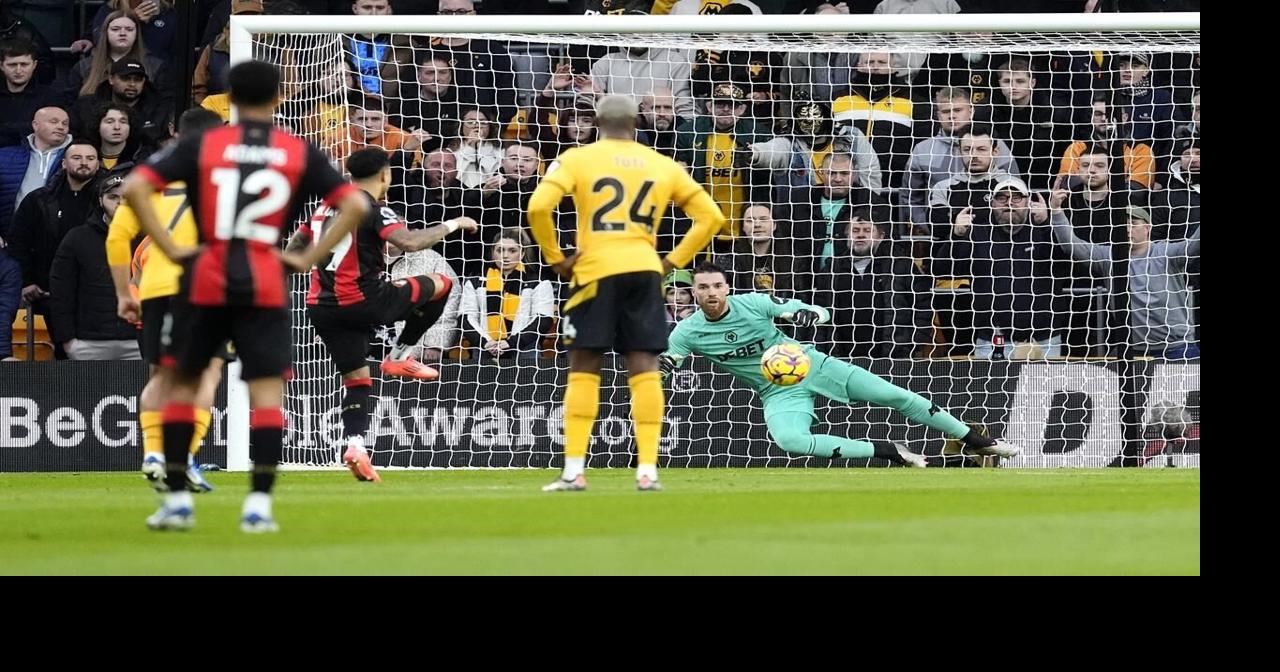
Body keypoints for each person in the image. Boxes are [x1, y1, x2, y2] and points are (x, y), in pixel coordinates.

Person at [121, 60, 370, 533]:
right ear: (279, 98)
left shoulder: (203, 143)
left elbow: (135, 187)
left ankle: (177, 502)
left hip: (207, 275)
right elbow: (355, 202)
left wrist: (171, 245)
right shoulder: (294, 148)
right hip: (263, 277)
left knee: (182, 384)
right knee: (266, 394)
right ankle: (259, 505)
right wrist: (308, 254)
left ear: (228, 98)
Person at [527, 94, 726, 492]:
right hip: (643, 270)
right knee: (645, 368)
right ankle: (648, 470)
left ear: (596, 120)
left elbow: (538, 207)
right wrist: (671, 262)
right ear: (637, 121)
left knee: (584, 367)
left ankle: (573, 471)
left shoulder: (576, 159)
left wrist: (556, 258)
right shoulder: (662, 164)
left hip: (595, 269)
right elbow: (712, 217)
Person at [661, 262, 1020, 465]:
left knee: (896, 395)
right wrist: (660, 369)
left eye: (716, 285)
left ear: (727, 288)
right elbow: (669, 361)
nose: (710, 292)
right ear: (694, 292)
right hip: (776, 391)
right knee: (789, 441)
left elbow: (818, 310)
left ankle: (977, 440)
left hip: (811, 364)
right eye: (703, 287)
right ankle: (887, 450)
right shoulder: (687, 332)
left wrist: (805, 316)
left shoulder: (754, 302)